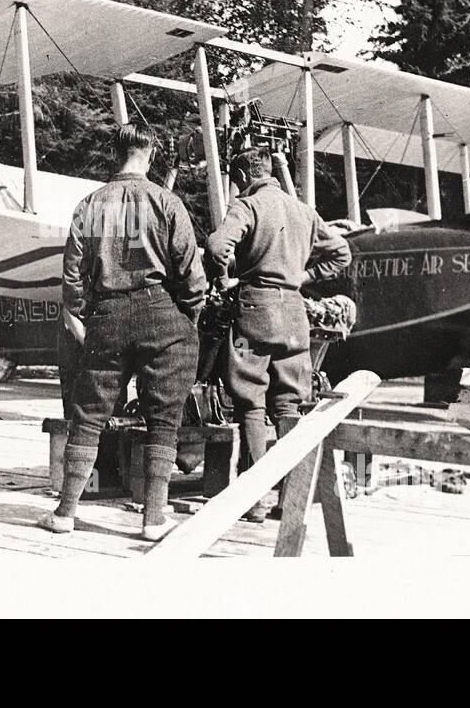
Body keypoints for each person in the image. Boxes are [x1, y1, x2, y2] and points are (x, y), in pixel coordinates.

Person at [42, 123, 206, 541]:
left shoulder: (89, 205)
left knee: (88, 417)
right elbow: (192, 275)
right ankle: (154, 519)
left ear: (115, 155)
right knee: (163, 421)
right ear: (150, 155)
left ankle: (65, 512)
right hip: (162, 314)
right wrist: (185, 318)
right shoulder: (167, 202)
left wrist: (83, 319)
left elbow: (72, 276)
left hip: (107, 317)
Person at [204, 146, 352, 522]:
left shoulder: (247, 206)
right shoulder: (303, 210)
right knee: (289, 405)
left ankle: (254, 501)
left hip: (255, 311)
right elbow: (341, 253)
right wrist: (304, 277)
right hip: (294, 312)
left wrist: (223, 280)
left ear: (241, 178)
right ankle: (290, 501)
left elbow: (217, 245)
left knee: (250, 402)